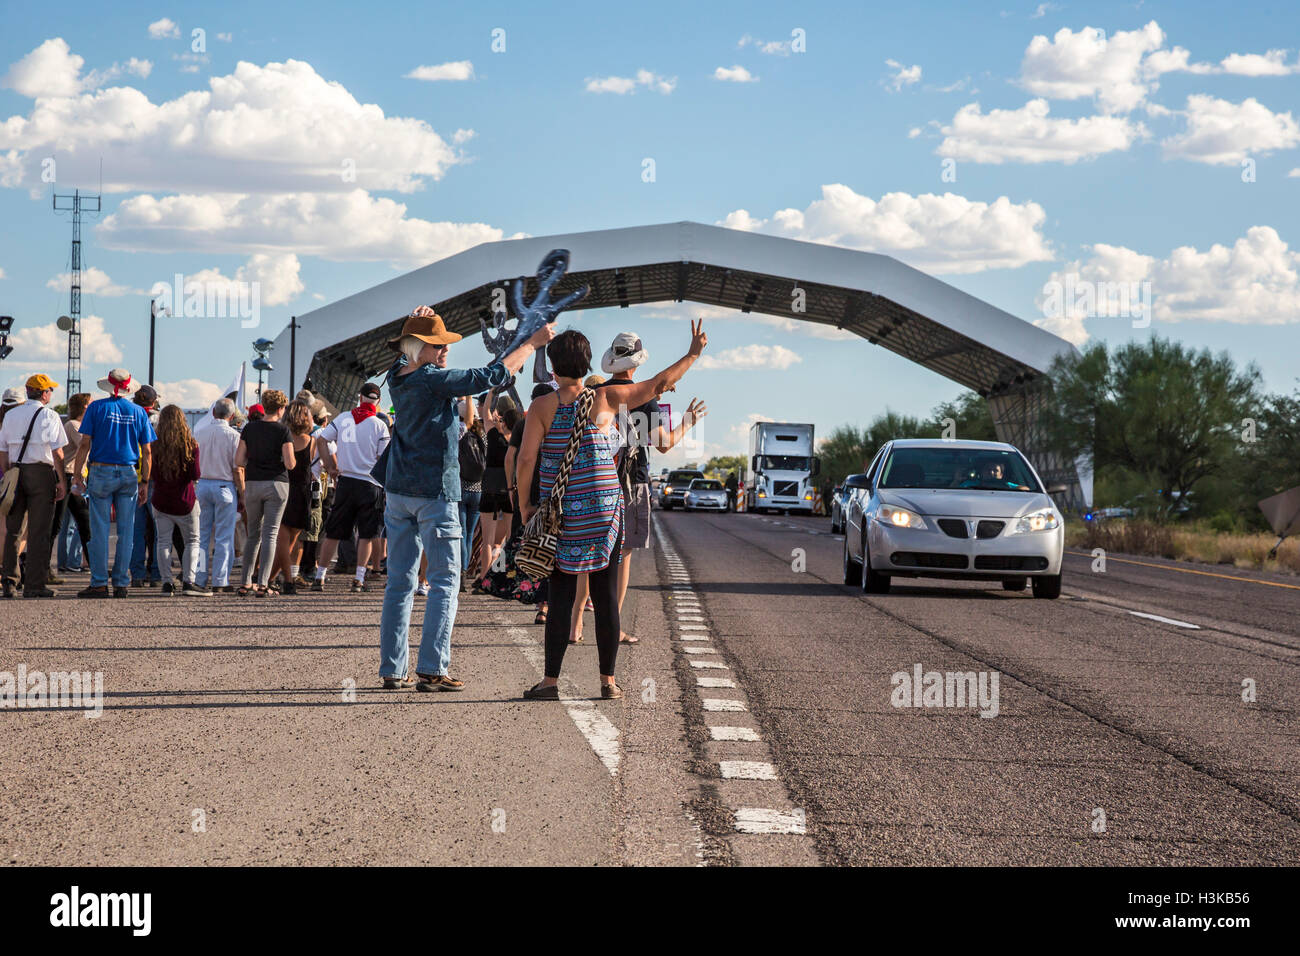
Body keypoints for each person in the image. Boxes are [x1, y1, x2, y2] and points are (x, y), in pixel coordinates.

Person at [517, 320, 707, 700]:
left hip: (562, 513)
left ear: (552, 368)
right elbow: (656, 385)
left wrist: (525, 506)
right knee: (604, 596)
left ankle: (550, 682)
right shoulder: (606, 399)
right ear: (588, 367)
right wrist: (691, 355)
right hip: (606, 510)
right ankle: (608, 683)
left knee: (561, 595)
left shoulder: (541, 406)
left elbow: (526, 459)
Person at [379, 305, 555, 692]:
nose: (444, 350)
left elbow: (408, 356)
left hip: (398, 490)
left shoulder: (397, 375)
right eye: (437, 344)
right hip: (435, 492)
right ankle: (432, 667)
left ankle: (393, 668)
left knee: (400, 582)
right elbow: (491, 375)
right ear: (419, 346)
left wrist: (415, 321)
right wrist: (531, 344)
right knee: (444, 581)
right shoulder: (431, 380)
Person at [592, 331, 708, 643]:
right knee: (623, 553)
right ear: (635, 363)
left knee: (592, 550)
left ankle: (576, 624)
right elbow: (664, 445)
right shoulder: (647, 400)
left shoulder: (598, 393)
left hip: (594, 479)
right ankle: (612, 626)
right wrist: (687, 422)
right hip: (631, 480)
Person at [70, 369, 158, 598]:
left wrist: (78, 473)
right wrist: (145, 481)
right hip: (129, 473)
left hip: (101, 471)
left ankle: (99, 582)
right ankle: (121, 582)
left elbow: (85, 443)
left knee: (99, 530)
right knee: (127, 531)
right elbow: (147, 451)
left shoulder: (97, 408)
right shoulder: (138, 412)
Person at [311, 382, 390, 593]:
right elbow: (384, 458)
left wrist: (331, 466)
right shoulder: (379, 425)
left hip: (345, 482)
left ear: (359, 397)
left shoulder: (343, 418)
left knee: (333, 532)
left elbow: (321, 441)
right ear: (379, 401)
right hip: (370, 484)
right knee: (366, 534)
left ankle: (320, 576)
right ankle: (358, 579)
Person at [0, 374, 68, 598]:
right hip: (41, 473)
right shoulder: (50, 416)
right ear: (44, 393)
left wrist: (9, 473)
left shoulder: (11, 415)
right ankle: (35, 585)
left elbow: (3, 450)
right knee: (39, 532)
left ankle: (9, 581)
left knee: (13, 530)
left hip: (16, 471)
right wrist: (61, 480)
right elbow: (58, 453)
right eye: (50, 390)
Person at [235, 388, 294, 596]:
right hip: (276, 484)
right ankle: (263, 584)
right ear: (280, 409)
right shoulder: (283, 431)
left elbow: (238, 461)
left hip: (253, 483)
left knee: (253, 534)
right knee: (270, 534)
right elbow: (290, 463)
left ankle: (245, 582)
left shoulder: (249, 429)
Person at [151, 404, 208, 596]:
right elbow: (196, 474)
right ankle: (189, 581)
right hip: (185, 500)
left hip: (161, 500)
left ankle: (167, 582)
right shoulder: (190, 444)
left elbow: (151, 474)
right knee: (192, 541)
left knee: (163, 542)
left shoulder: (154, 444)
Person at [194, 398, 243, 592]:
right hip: (225, 485)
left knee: (202, 536)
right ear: (231, 416)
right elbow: (237, 467)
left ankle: (200, 576)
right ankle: (220, 580)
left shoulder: (199, 432)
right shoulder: (233, 436)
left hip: (203, 484)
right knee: (224, 537)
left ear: (213, 412)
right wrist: (243, 492)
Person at [267, 400, 315, 594]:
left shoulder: (281, 438)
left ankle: (283, 580)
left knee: (282, 541)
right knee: (291, 542)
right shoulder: (311, 441)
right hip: (303, 493)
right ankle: (280, 579)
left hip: (284, 488)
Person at [475, 394, 515, 584]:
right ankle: (504, 576)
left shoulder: (493, 434)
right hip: (510, 489)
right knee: (508, 537)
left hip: (490, 486)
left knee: (488, 539)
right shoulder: (517, 437)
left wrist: (492, 391)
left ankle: (484, 577)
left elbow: (485, 412)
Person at [54, 392, 93, 574]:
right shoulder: (74, 425)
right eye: (91, 404)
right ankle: (78, 561)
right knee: (79, 521)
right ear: (84, 406)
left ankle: (67, 562)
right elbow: (86, 445)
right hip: (69, 476)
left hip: (72, 476)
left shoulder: (74, 425)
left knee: (68, 524)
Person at [129, 385, 162, 587]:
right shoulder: (158, 419)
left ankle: (137, 574)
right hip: (153, 477)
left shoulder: (129, 414)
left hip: (132, 474)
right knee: (159, 530)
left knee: (136, 530)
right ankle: (157, 573)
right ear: (153, 401)